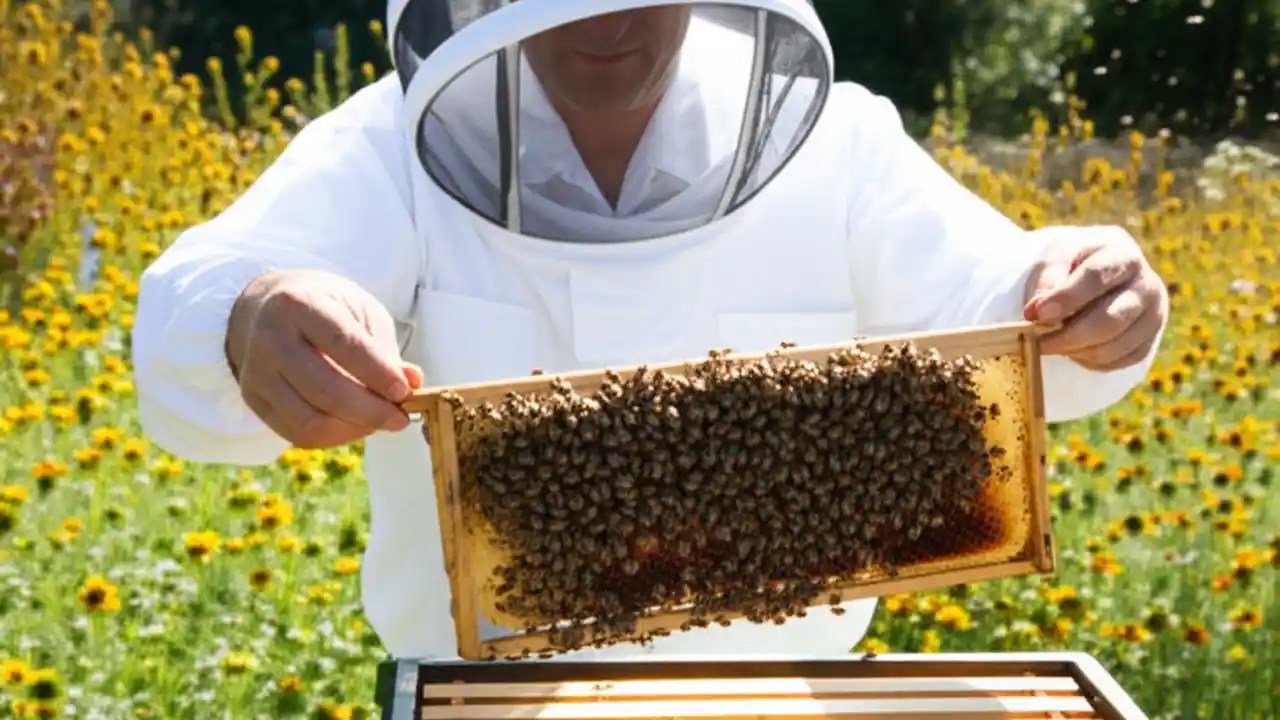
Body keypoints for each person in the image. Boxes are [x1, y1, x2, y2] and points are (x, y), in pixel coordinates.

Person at [133, 0, 1169, 663]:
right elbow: (202, 294)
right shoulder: (382, 145)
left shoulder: (840, 140)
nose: (602, 20)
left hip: (786, 690)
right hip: (485, 698)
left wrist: (1079, 296)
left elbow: (995, 312)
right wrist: (250, 315)